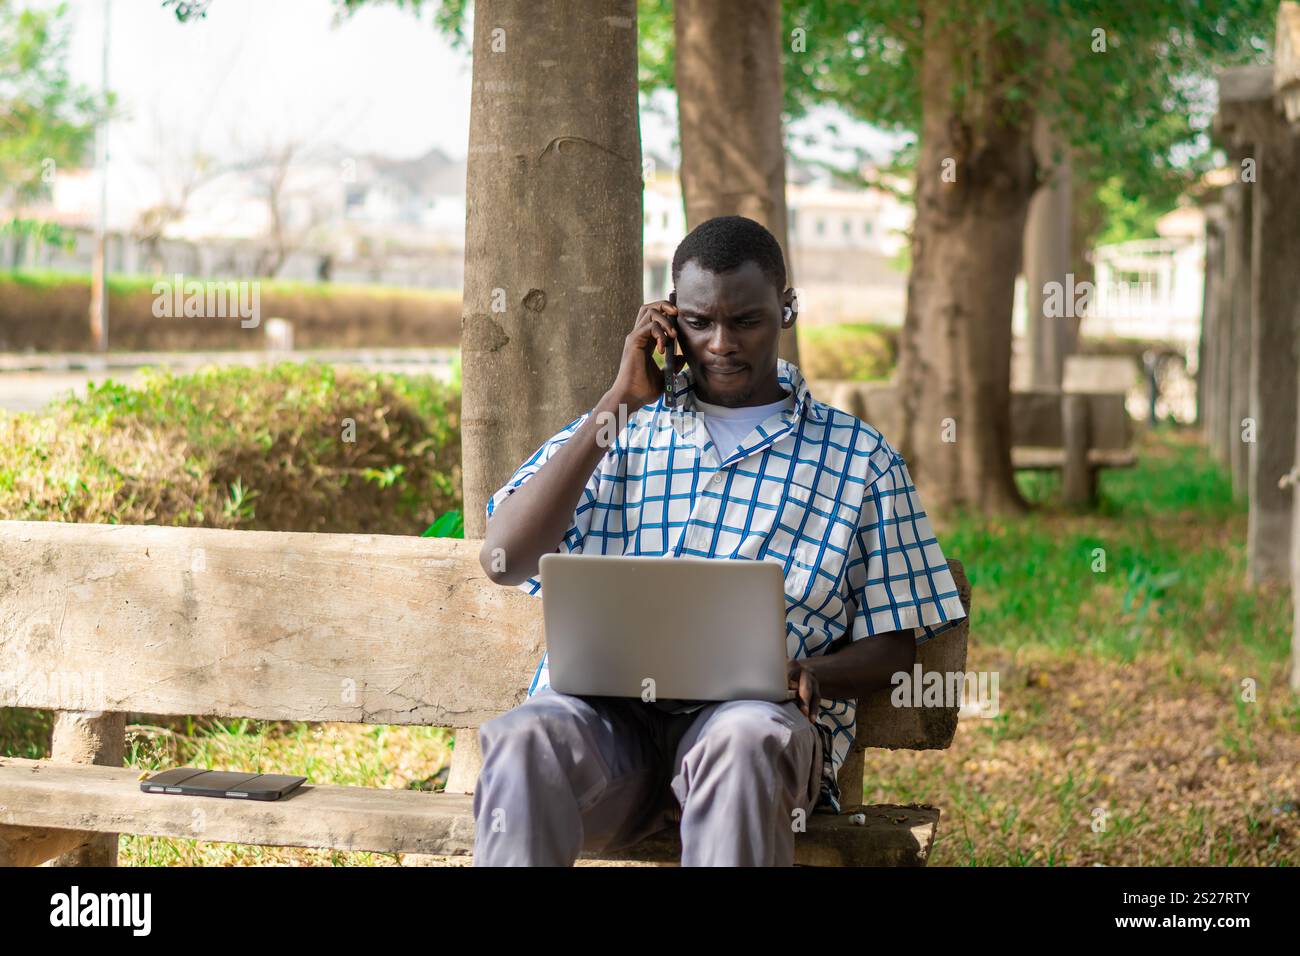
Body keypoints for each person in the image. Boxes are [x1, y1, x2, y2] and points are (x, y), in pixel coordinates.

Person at [472, 215, 967, 866]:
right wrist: (618, 399)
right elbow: (503, 559)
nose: (721, 343)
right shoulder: (623, 431)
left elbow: (895, 646)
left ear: (787, 310)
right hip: (606, 733)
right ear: (670, 318)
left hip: (747, 734)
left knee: (742, 741)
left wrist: (811, 672)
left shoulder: (860, 459)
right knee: (523, 737)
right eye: (700, 322)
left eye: (747, 321)